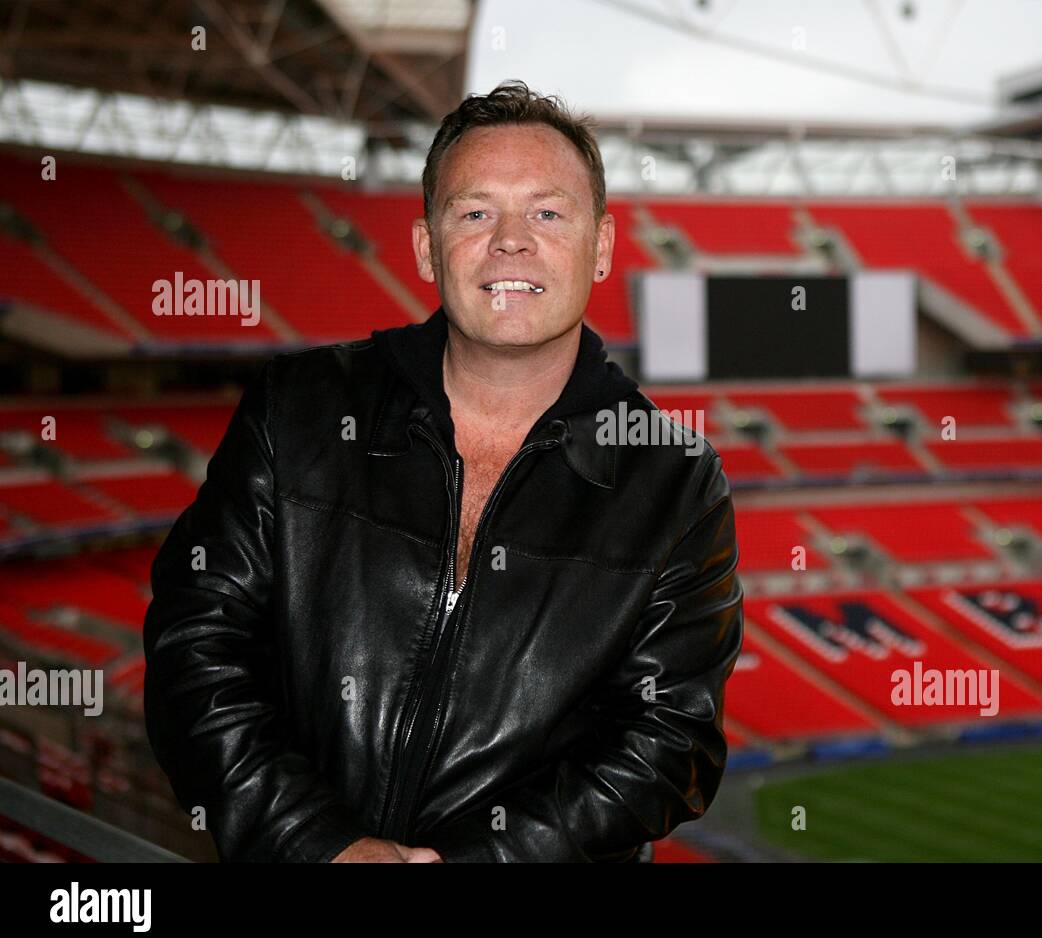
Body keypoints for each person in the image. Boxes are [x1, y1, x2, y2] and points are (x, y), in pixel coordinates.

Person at [142, 80, 745, 863]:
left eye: (548, 212)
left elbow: (668, 744)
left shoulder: (676, 482)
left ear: (601, 247)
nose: (510, 241)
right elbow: (196, 646)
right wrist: (320, 844)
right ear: (427, 246)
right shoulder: (300, 409)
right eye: (475, 212)